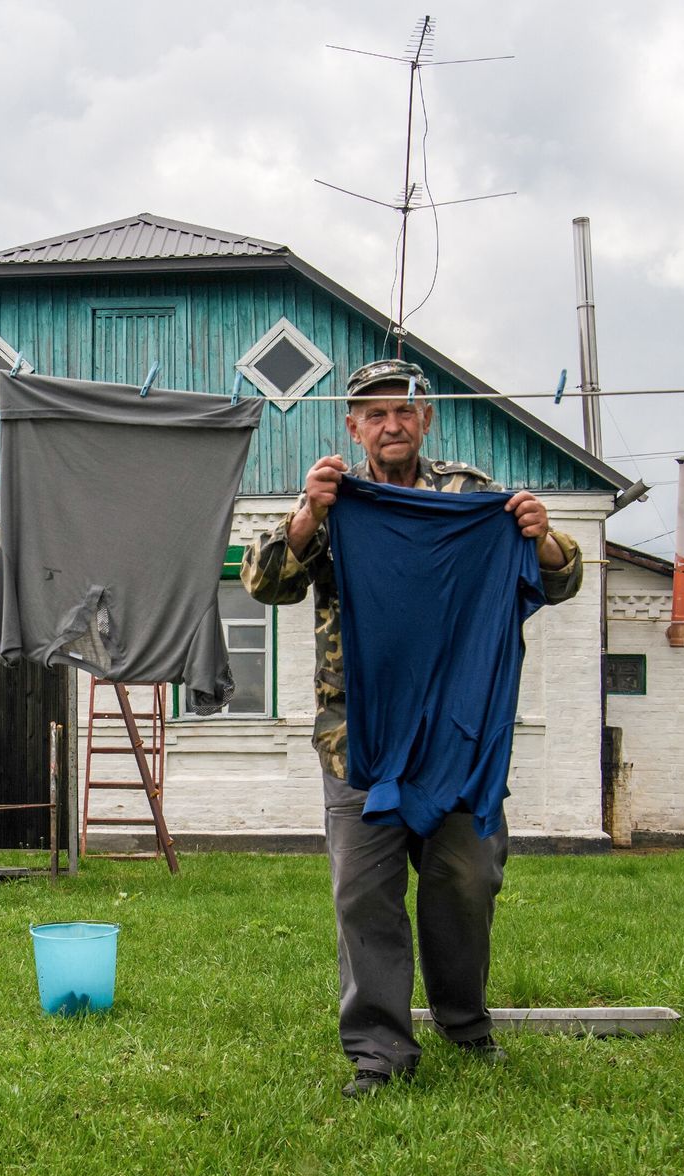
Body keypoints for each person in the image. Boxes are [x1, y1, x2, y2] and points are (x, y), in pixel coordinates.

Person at [240, 358, 585, 1096]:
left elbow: (556, 578)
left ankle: (465, 1023)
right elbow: (266, 582)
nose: (390, 424)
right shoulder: (333, 499)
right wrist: (309, 513)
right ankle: (379, 1052)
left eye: (403, 411)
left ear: (425, 419)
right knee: (363, 892)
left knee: (465, 879)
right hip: (357, 738)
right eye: (374, 413)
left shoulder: (471, 494)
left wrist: (543, 536)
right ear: (352, 425)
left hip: (455, 738)